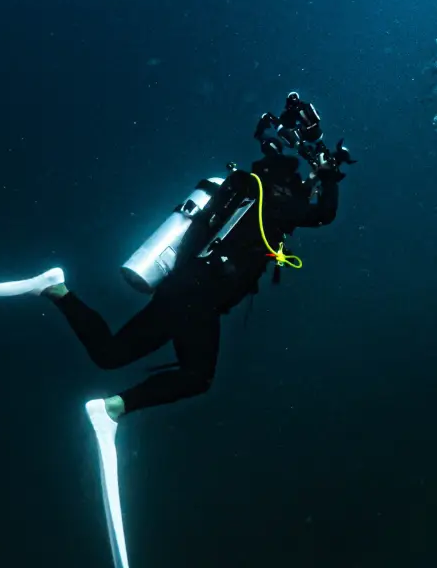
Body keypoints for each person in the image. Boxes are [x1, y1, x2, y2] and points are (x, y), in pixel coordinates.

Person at [45, 94, 349, 420]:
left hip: (183, 283)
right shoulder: (276, 198)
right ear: (286, 181)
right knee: (196, 376)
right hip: (200, 296)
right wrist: (329, 176)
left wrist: (315, 174)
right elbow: (323, 214)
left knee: (111, 354)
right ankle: (112, 409)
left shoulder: (243, 186)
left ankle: (56, 290)